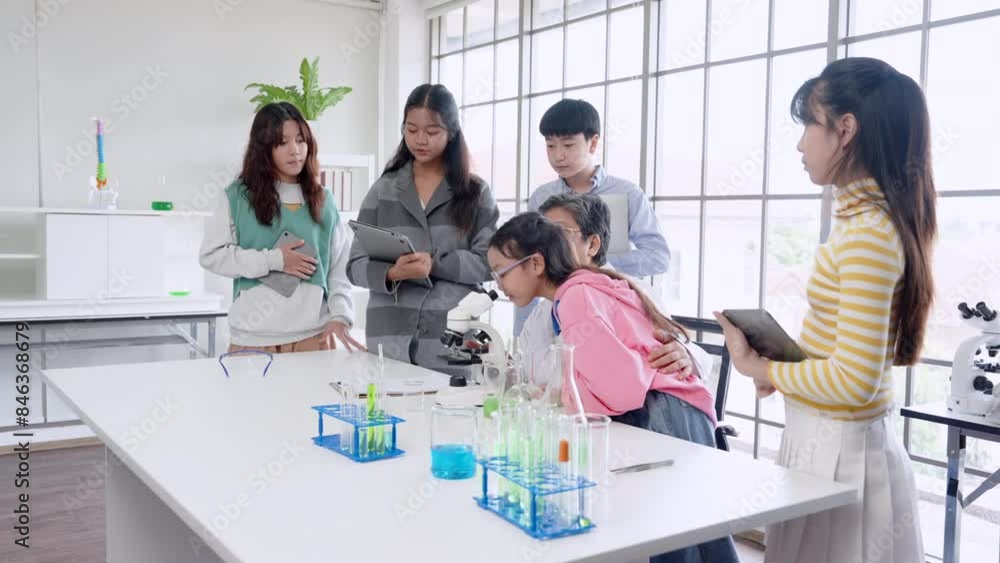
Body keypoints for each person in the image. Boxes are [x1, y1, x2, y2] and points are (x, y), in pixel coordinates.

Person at [714, 57, 934, 563]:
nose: (800, 143)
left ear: (845, 129)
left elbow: (855, 381)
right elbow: (846, 356)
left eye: (809, 124)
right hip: (829, 447)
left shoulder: (867, 235)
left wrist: (760, 366)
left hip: (843, 456)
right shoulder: (867, 223)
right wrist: (784, 368)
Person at [488, 212, 739, 563]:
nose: (498, 283)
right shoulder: (589, 287)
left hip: (663, 413)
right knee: (704, 530)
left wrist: (563, 397)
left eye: (501, 271)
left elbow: (619, 388)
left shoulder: (574, 299)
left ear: (536, 263)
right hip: (679, 408)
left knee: (671, 537)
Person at [347, 84, 499, 375]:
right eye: (411, 129)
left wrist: (435, 264)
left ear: (452, 132)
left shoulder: (475, 192)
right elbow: (354, 266)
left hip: (452, 340)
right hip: (388, 340)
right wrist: (393, 273)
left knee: (452, 417)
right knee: (388, 417)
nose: (420, 140)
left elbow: (490, 263)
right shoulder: (383, 190)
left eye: (432, 132)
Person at [200, 102, 362, 354]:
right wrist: (275, 260)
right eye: (282, 142)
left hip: (314, 339)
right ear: (264, 149)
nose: (295, 151)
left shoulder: (323, 200)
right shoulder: (237, 197)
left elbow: (338, 269)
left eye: (300, 140)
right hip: (252, 340)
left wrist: (340, 315)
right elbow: (211, 255)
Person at [520, 193, 712, 384]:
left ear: (593, 245)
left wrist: (684, 354)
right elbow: (531, 374)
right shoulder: (544, 309)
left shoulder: (632, 293)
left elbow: (699, 358)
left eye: (559, 234)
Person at [516, 98, 670, 335]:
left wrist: (596, 264)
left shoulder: (627, 194)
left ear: (593, 143)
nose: (558, 156)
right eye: (550, 146)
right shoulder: (542, 197)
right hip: (556, 316)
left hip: (613, 314)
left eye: (568, 145)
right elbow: (529, 267)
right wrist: (521, 338)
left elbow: (658, 257)